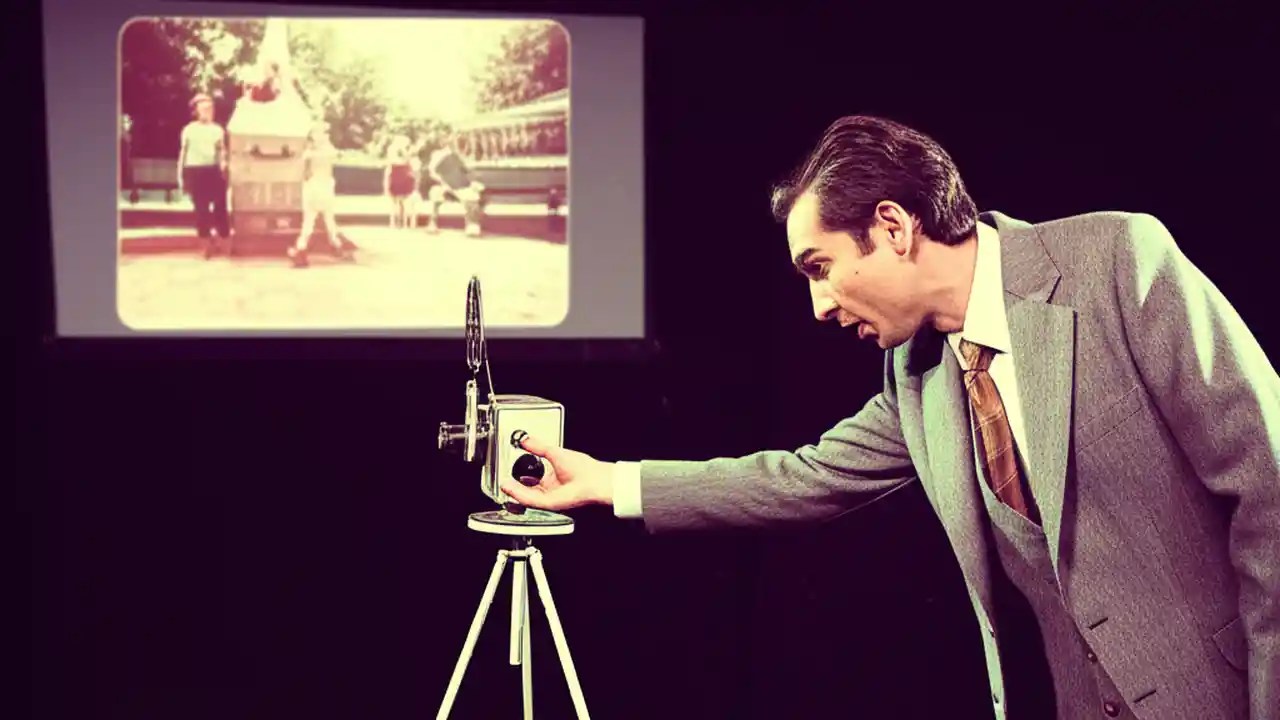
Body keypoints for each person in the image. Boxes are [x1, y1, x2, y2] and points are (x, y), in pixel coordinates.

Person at [498, 115, 1280, 720]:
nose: (818, 304)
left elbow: (1270, 492)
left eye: (822, 268)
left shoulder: (1115, 262)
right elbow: (803, 478)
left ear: (895, 227)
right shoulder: (919, 375)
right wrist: (609, 482)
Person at [287, 120, 354, 268]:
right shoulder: (328, 152)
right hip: (325, 186)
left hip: (312, 187)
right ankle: (336, 245)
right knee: (329, 219)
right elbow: (336, 155)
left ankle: (301, 249)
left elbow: (305, 173)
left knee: (309, 222)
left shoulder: (309, 154)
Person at [176, 93, 231, 257]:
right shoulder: (189, 130)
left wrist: (223, 165)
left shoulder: (217, 130)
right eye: (205, 109)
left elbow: (222, 151)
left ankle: (224, 241)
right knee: (201, 209)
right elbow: (183, 152)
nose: (208, 111)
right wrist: (180, 176)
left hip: (213, 170)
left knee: (220, 207)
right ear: (196, 111)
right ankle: (206, 244)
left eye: (211, 108)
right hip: (194, 170)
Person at [424, 137, 486, 237]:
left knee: (438, 197)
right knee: (473, 197)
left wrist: (442, 181)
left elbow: (432, 173)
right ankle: (472, 226)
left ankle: (432, 224)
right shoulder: (452, 156)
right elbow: (465, 170)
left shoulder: (436, 157)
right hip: (457, 185)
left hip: (444, 185)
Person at [384, 135, 417, 229]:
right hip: (398, 173)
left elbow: (408, 163)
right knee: (398, 200)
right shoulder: (395, 150)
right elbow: (406, 161)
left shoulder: (395, 150)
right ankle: (397, 221)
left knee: (399, 201)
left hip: (400, 173)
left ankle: (398, 221)